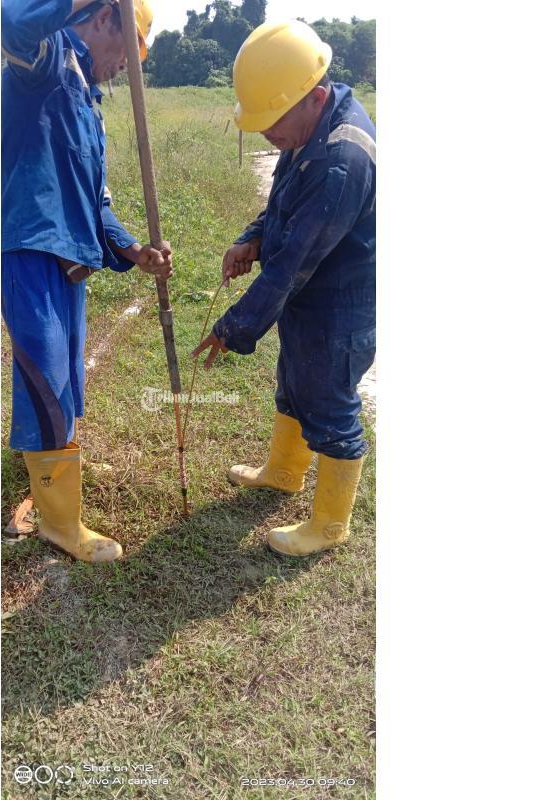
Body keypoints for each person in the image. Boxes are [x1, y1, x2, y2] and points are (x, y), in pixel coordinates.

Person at [192, 21, 376, 558]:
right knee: (295, 382)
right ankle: (283, 472)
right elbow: (283, 206)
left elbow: (291, 266)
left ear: (314, 96)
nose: (267, 135)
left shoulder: (341, 160)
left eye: (272, 124)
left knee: (329, 403)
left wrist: (234, 327)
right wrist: (252, 237)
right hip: (313, 295)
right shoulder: (308, 129)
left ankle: (330, 524)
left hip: (341, 305)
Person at [2, 0, 171, 563]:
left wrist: (135, 251)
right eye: (128, 51)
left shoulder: (88, 105)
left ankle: (56, 467)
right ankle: (59, 523)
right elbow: (9, 23)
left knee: (67, 378)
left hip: (72, 260)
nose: (125, 66)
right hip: (30, 251)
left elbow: (96, 204)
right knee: (46, 379)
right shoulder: (48, 62)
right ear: (103, 20)